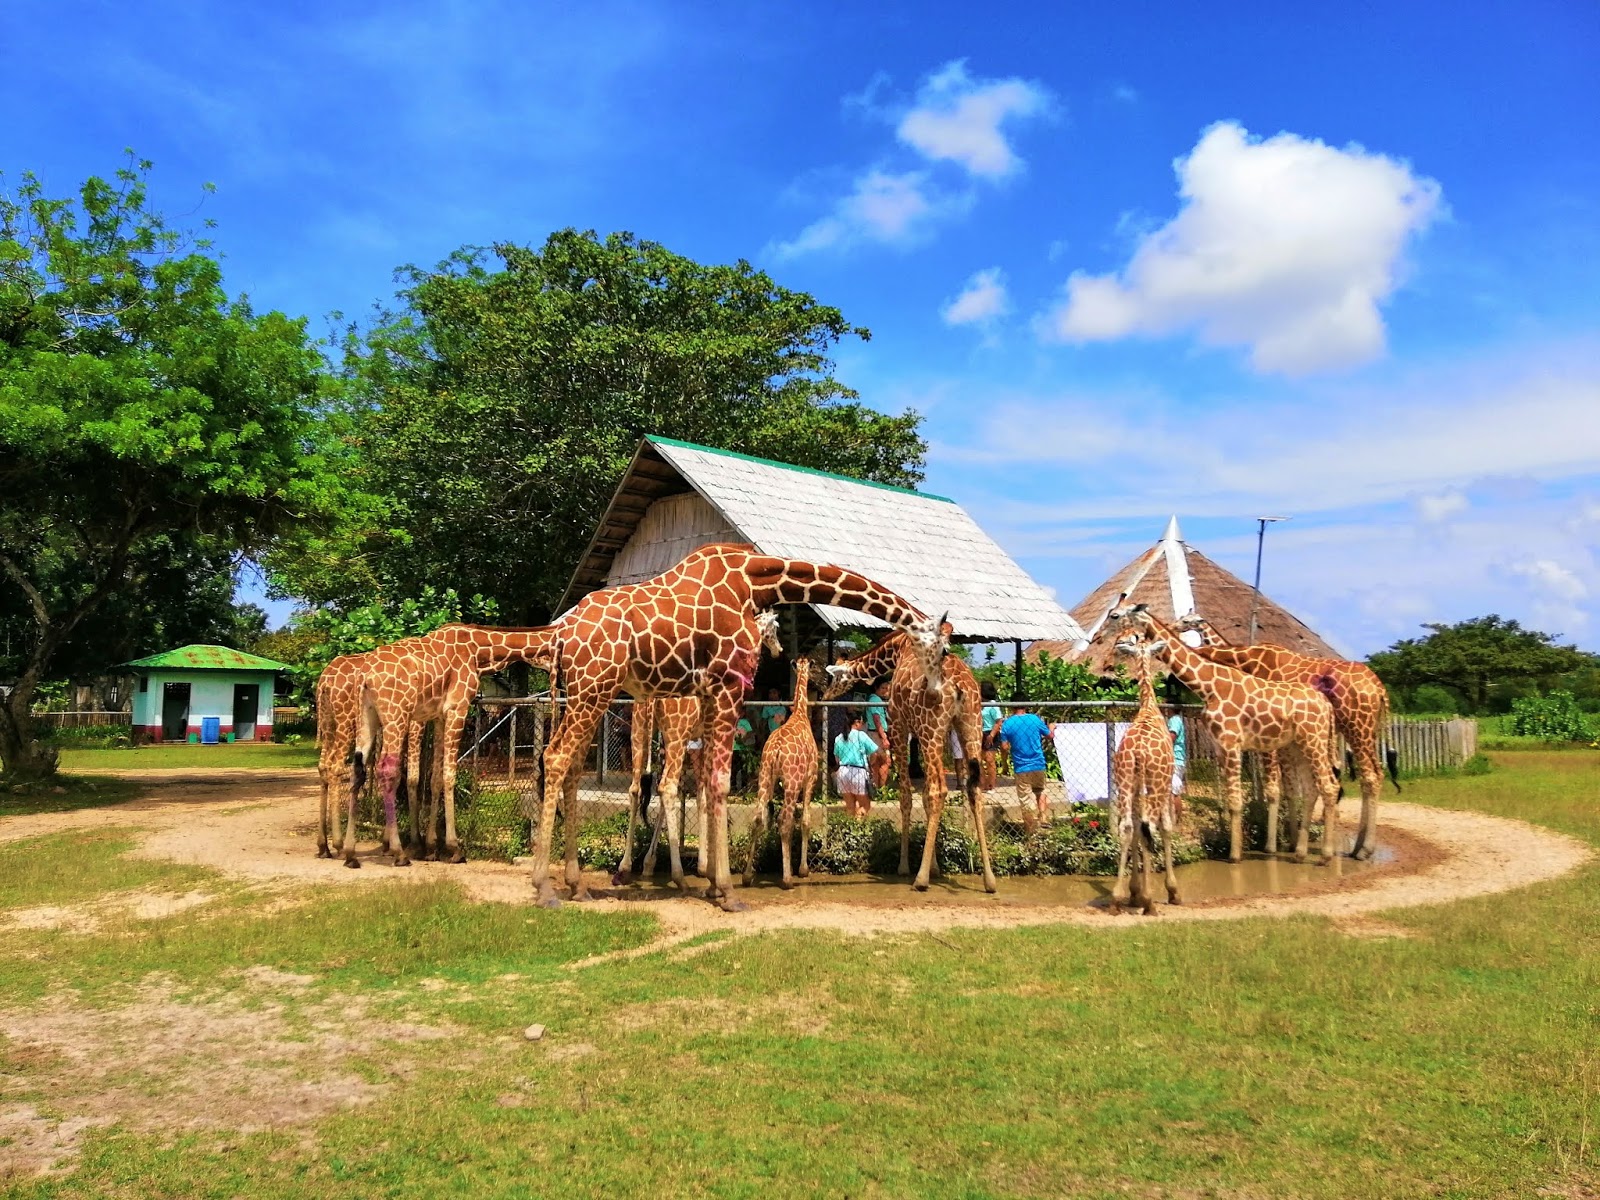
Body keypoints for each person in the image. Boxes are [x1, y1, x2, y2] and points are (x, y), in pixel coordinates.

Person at [997, 698, 1053, 832]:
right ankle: (1043, 816)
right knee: (1041, 790)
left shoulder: (1007, 724)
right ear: (1026, 706)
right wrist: (1052, 726)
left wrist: (1012, 748)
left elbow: (1004, 747)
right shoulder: (1035, 719)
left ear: (1011, 707)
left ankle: (1029, 830)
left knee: (1025, 799)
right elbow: (1049, 736)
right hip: (1038, 763)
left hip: (1021, 766)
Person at [833, 711, 879, 818]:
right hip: (858, 772)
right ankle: (858, 828)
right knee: (865, 805)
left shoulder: (839, 738)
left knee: (850, 806)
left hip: (843, 771)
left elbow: (837, 758)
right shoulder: (861, 735)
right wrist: (870, 763)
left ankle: (850, 829)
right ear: (857, 723)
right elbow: (874, 753)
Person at [863, 690, 891, 788]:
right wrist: (883, 736)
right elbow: (876, 718)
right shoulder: (875, 699)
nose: (885, 691)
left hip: (876, 733)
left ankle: (877, 787)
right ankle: (880, 788)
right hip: (876, 733)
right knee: (884, 761)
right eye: (882, 688)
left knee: (877, 761)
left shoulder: (875, 699)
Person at [979, 681, 1003, 792]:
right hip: (980, 732)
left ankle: (991, 784)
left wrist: (992, 735)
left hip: (990, 732)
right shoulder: (980, 704)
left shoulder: (992, 704)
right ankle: (983, 783)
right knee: (980, 759)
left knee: (989, 760)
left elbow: (998, 721)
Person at [1167, 710, 1187, 817]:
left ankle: (1177, 820)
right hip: (1176, 759)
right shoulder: (1175, 719)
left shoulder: (1174, 720)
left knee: (1174, 791)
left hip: (1174, 759)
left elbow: (1171, 737)